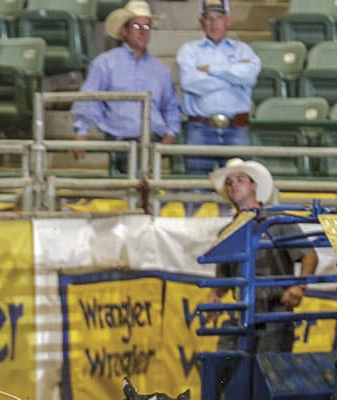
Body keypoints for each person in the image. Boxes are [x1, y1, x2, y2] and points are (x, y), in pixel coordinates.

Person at [207, 159, 317, 352]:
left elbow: (310, 255)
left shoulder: (277, 221)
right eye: (229, 182)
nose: (233, 185)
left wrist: (299, 286)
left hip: (275, 310)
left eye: (240, 179)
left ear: (254, 186)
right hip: (243, 311)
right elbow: (224, 278)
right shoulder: (228, 231)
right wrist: (215, 295)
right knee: (225, 366)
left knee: (258, 368)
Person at [71, 0, 180, 175]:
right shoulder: (105, 64)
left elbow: (171, 105)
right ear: (125, 30)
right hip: (121, 138)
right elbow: (89, 99)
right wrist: (82, 131)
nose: (143, 32)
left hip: (155, 141)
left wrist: (170, 133)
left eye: (147, 27)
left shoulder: (161, 70)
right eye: (137, 26)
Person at [176, 0, 260, 175]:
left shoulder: (244, 50)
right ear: (201, 22)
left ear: (228, 20)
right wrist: (232, 77)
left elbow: (249, 76)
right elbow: (190, 82)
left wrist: (211, 70)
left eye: (219, 17)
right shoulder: (188, 50)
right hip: (200, 127)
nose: (214, 23)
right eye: (209, 18)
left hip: (236, 127)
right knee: (195, 188)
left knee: (239, 188)